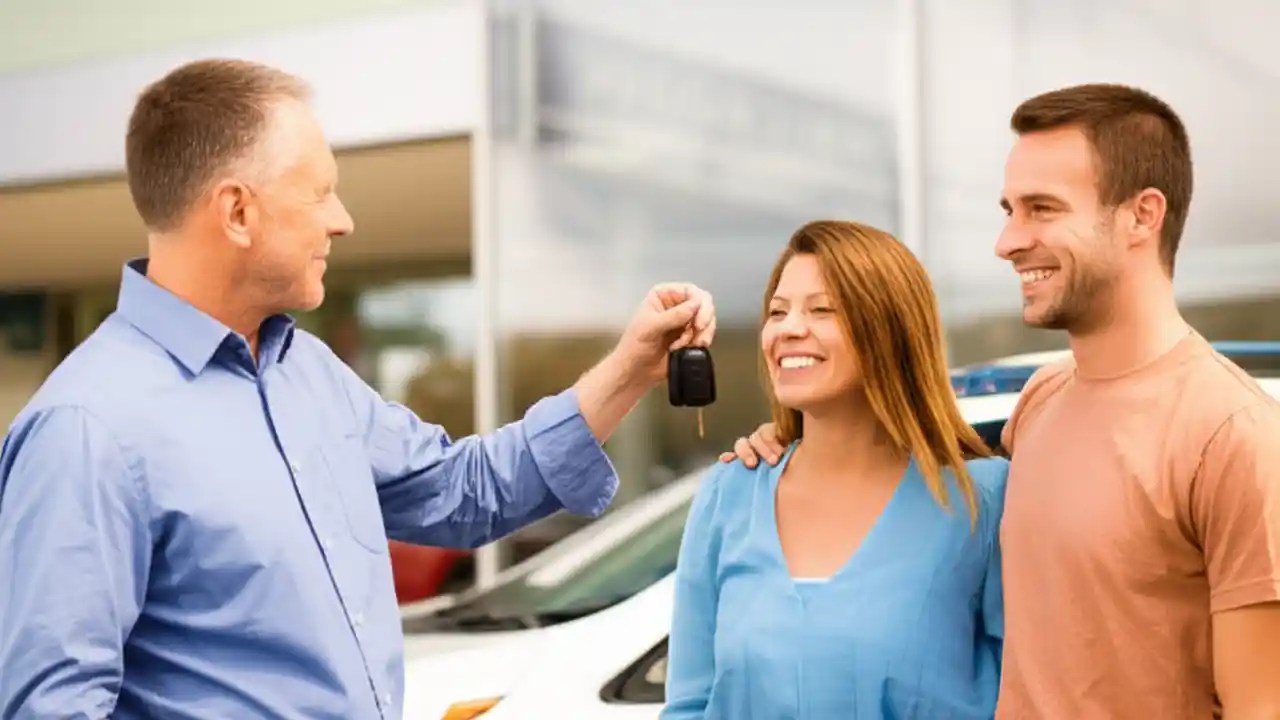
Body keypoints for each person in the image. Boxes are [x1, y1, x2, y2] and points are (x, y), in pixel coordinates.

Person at [0, 59, 717, 720]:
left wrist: (627, 371)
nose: (342, 219)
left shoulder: (307, 374)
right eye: (320, 193)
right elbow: (53, 708)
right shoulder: (85, 427)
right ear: (237, 212)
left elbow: (464, 492)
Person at [723, 83, 1280, 718]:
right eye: (1008, 209)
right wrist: (792, 452)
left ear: (1142, 215)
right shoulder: (1041, 403)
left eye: (1042, 208)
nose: (1007, 240)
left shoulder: (1233, 434)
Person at [662, 220, 1008, 719]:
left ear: (891, 332)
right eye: (778, 312)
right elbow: (689, 706)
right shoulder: (728, 494)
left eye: (823, 310)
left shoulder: (984, 502)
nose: (789, 328)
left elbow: (1030, 695)